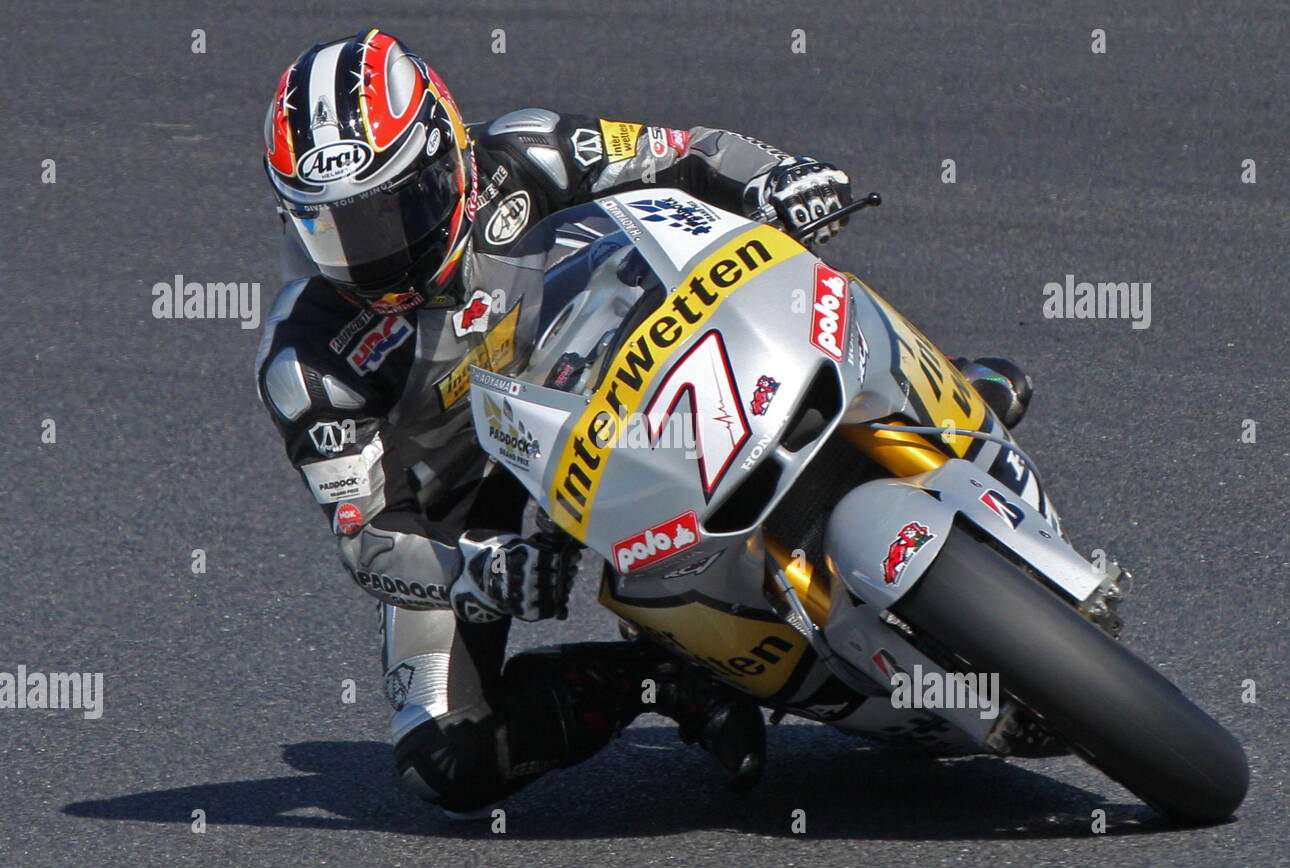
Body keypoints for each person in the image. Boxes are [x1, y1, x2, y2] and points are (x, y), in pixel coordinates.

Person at [254, 28, 1031, 817]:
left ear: (447, 148)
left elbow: (688, 153)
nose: (380, 254)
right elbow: (367, 533)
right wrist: (476, 570)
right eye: (341, 229)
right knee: (444, 756)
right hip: (465, 499)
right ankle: (664, 677)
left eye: (397, 209)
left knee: (792, 271)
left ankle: (929, 387)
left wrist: (779, 178)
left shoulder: (530, 151)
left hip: (605, 364)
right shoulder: (308, 360)